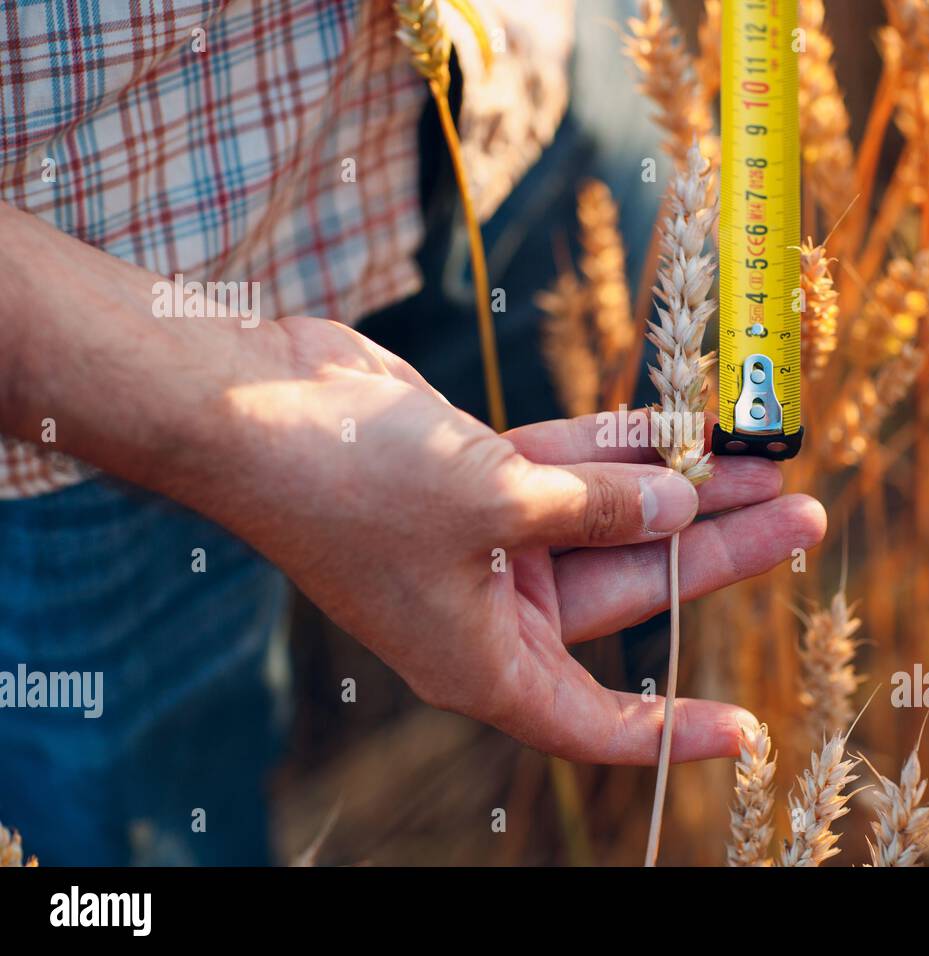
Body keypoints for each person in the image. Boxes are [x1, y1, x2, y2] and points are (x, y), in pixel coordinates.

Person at [0, 0, 825, 865]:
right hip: (106, 337)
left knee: (664, 589)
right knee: (150, 833)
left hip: (514, 89)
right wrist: (226, 414)